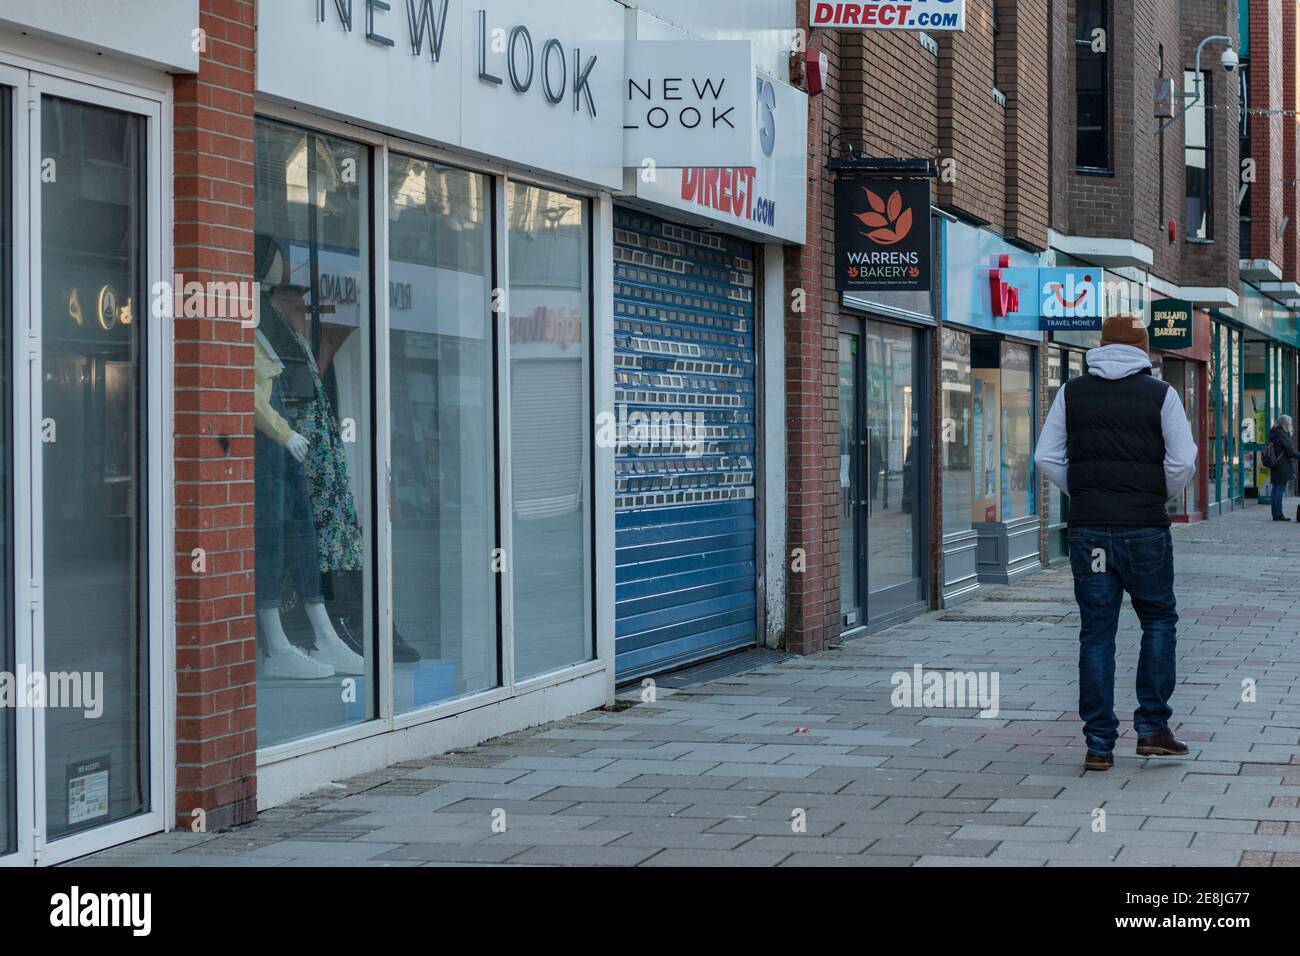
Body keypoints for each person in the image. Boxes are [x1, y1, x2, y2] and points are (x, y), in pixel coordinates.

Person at [1034, 314, 1198, 771]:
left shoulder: (1072, 392)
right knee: (1159, 619)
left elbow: (1045, 456)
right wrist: (1155, 495)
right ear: (1145, 350)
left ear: (1100, 345)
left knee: (1097, 632)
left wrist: (1081, 492)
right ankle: (1151, 729)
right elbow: (1183, 461)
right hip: (1145, 528)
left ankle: (1099, 744)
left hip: (1090, 532)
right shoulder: (1162, 395)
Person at [1265, 415, 1300, 521]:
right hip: (1282, 466)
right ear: (1285, 424)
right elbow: (1290, 452)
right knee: (1279, 489)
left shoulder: (1273, 433)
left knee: (1275, 489)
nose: (1290, 426)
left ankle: (1275, 513)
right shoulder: (1282, 435)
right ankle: (1278, 514)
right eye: (1289, 424)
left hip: (1275, 465)